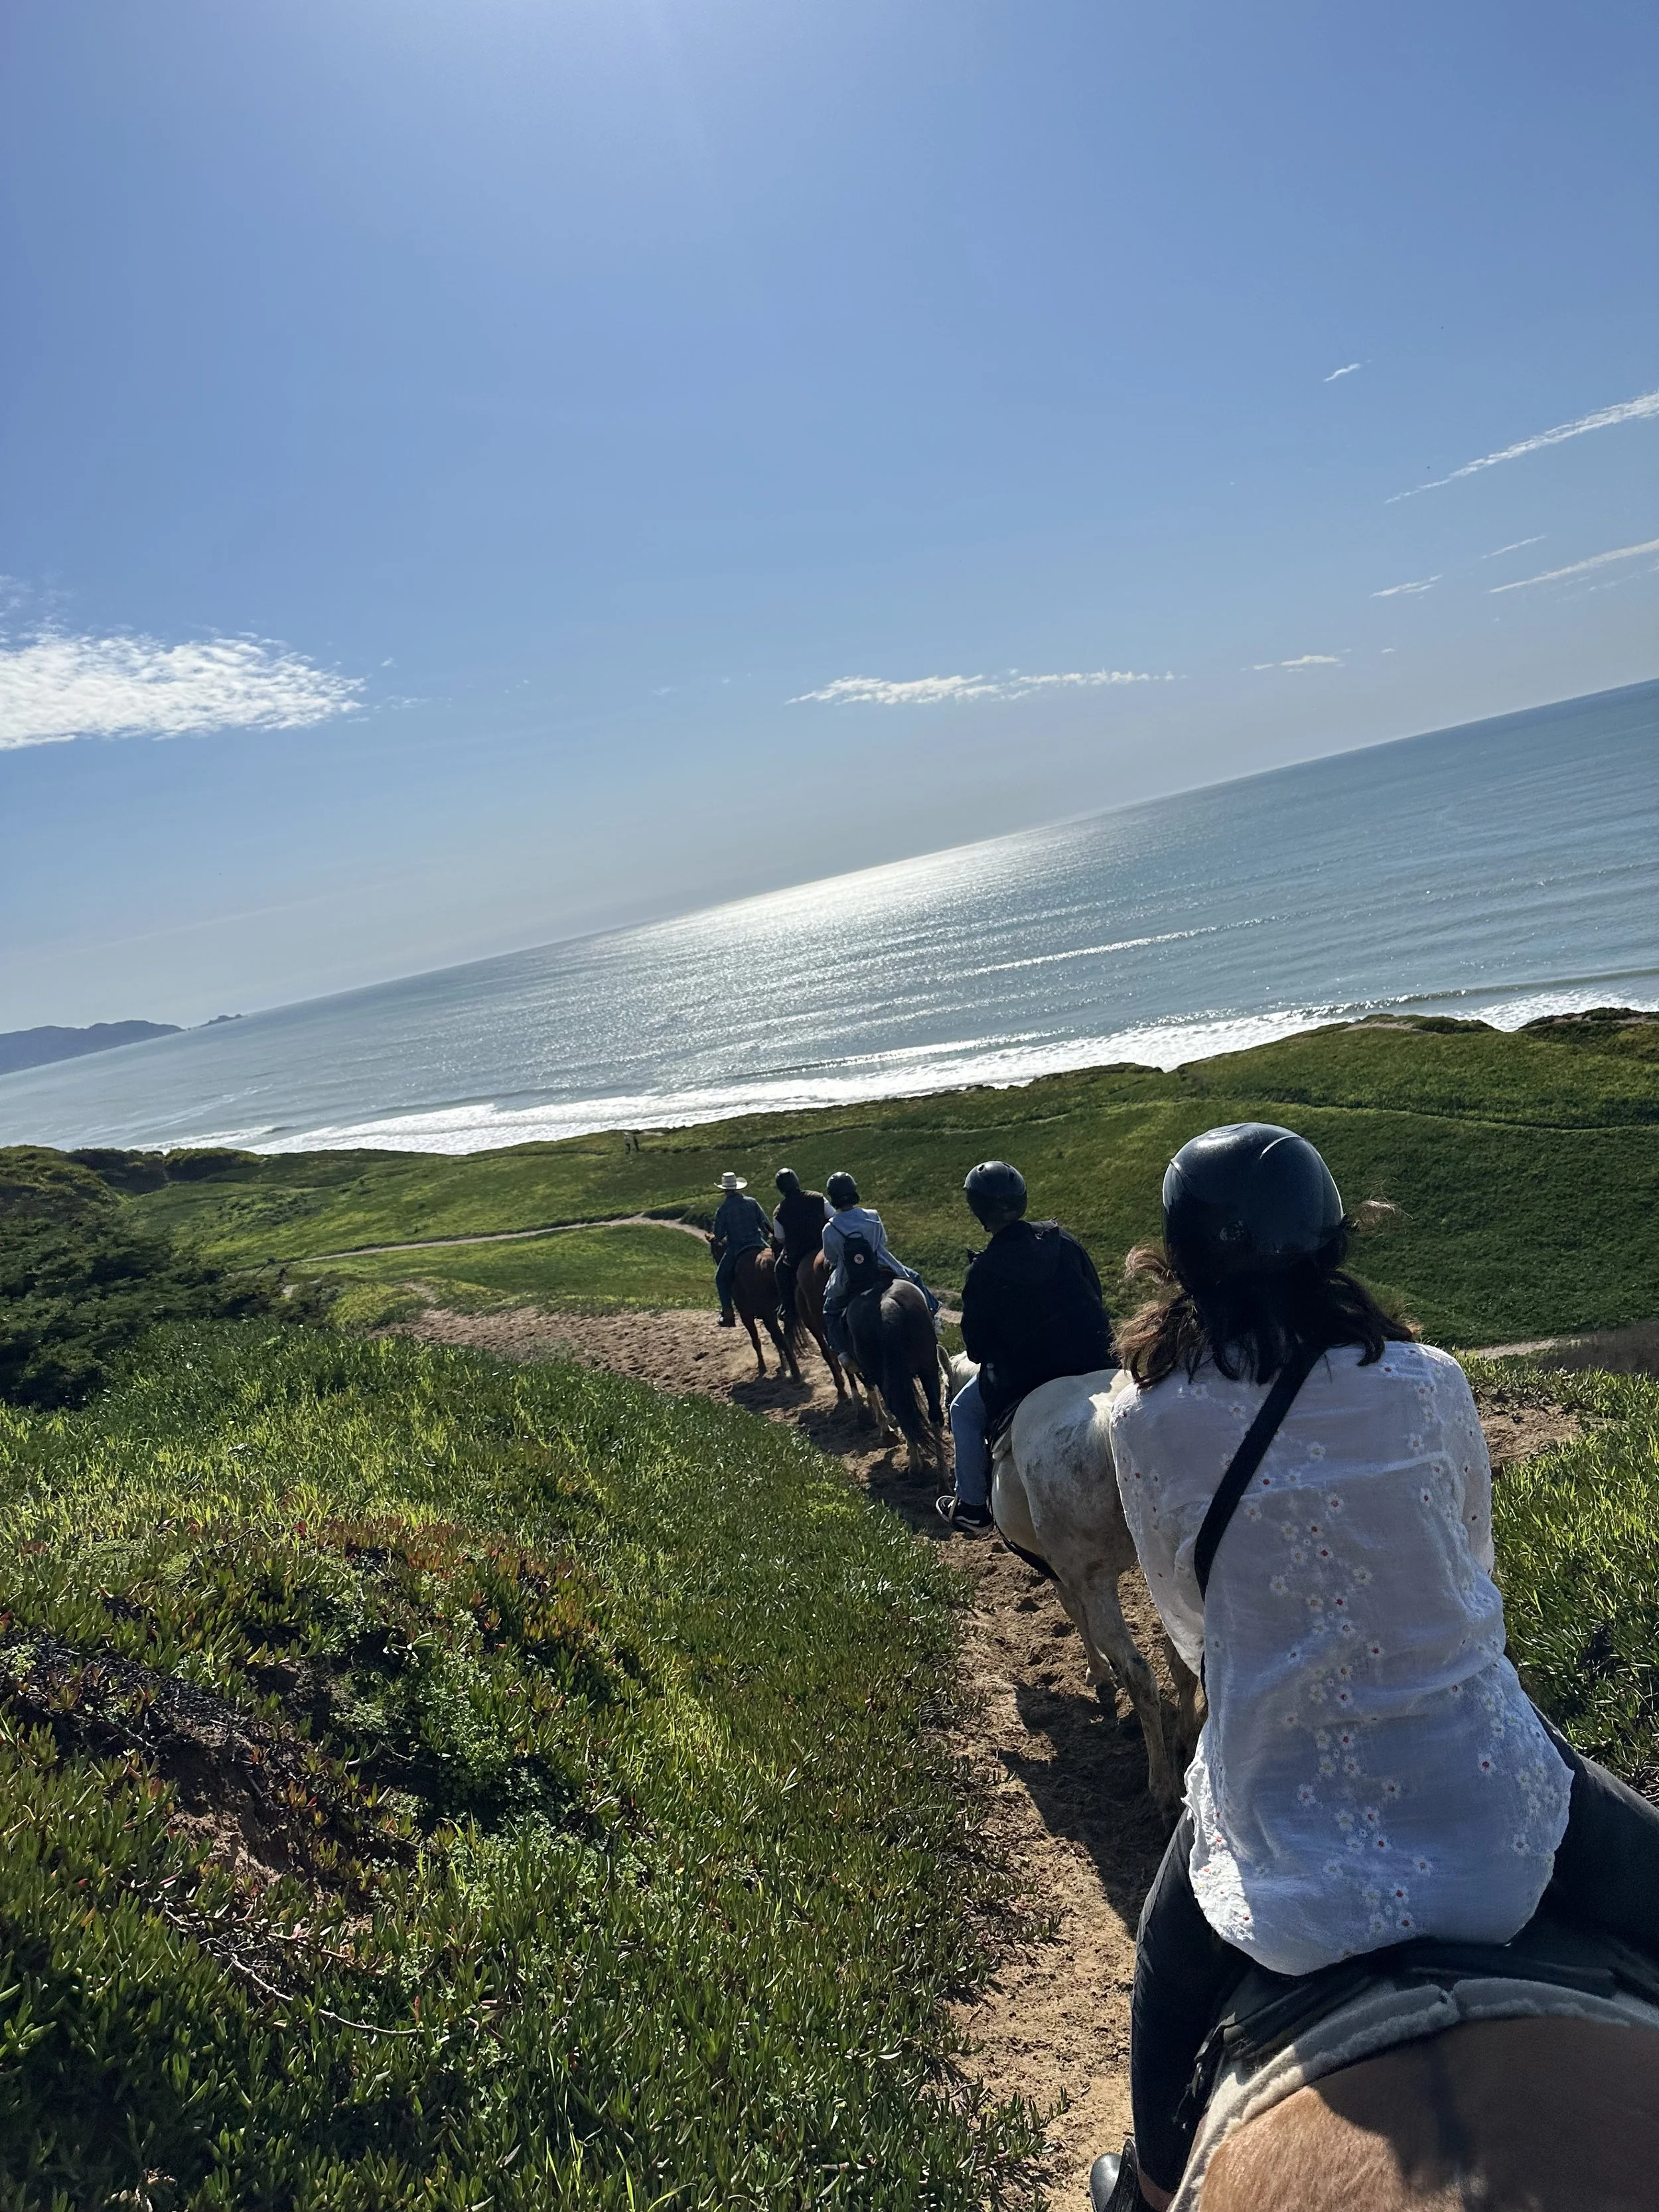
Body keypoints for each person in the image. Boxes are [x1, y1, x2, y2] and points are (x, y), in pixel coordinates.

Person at [1088, 1122, 1659, 2212]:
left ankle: (1153, 2189)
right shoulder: (1430, 1380)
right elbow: (1472, 1565)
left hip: (1276, 1807)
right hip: (1485, 1779)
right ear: (1332, 1243)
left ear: (1179, 1266)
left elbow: (1188, 1620)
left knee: (1163, 1983)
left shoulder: (1140, 1420)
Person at [936, 1160, 1114, 1534]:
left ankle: (972, 1507)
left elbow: (976, 1349)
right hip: (1096, 1359)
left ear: (978, 1211)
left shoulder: (983, 1271)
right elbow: (1096, 1295)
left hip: (1025, 1377)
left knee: (962, 1411)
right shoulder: (1064, 1242)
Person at [820, 1171, 938, 1360]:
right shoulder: (872, 1215)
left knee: (830, 1311)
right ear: (854, 1191)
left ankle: (843, 1352)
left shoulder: (829, 1228)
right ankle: (933, 1316)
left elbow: (832, 1257)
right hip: (881, 1266)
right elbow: (882, 1241)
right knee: (915, 1277)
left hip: (850, 1276)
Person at [709, 1169, 772, 1327]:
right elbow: (765, 1225)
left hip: (736, 1248)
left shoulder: (723, 1210)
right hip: (758, 1243)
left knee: (720, 1278)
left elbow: (719, 1235)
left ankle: (728, 1314)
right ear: (737, 1187)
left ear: (724, 1190)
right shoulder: (752, 1202)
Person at [770, 1167, 831, 1327]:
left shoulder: (779, 1211)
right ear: (796, 1181)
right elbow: (833, 1217)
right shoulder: (818, 1198)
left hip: (797, 1254)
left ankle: (789, 1309)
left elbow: (781, 1239)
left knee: (780, 1271)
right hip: (824, 1246)